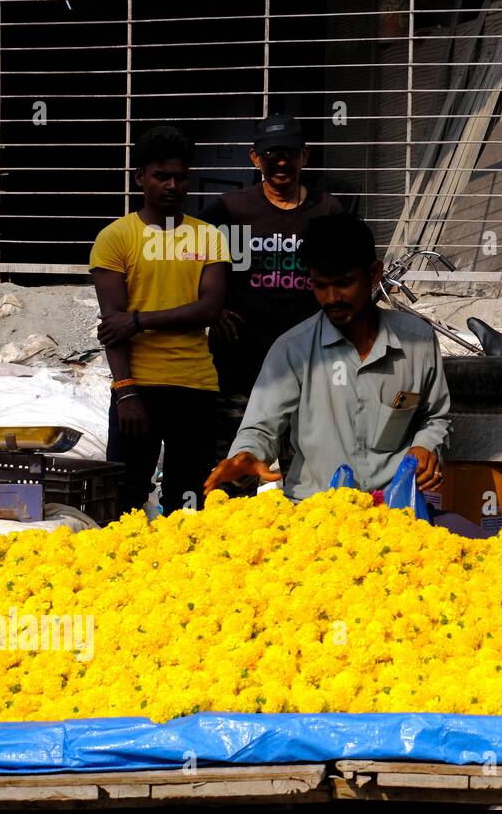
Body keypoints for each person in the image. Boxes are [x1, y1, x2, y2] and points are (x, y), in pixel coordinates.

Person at [204, 213, 450, 501]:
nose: (332, 298)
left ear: (374, 274)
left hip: (395, 510)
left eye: (344, 283)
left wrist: (426, 446)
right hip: (314, 511)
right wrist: (245, 456)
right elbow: (260, 426)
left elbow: (435, 417)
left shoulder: (418, 342)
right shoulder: (292, 349)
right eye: (320, 285)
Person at [90, 125, 232, 516]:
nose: (172, 185)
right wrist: (126, 392)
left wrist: (138, 321)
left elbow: (210, 309)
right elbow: (111, 327)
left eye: (180, 176)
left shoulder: (208, 237)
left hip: (196, 387)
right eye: (161, 176)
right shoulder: (115, 238)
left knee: (188, 504)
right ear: (140, 178)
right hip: (139, 390)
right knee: (124, 501)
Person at [201, 114, 344, 486]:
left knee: (307, 479)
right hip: (239, 368)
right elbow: (185, 261)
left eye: (290, 153)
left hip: (308, 369)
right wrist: (210, 308)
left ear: (305, 156)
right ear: (254, 159)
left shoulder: (327, 211)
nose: (281, 162)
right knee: (235, 477)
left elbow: (350, 278)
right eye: (271, 154)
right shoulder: (229, 211)